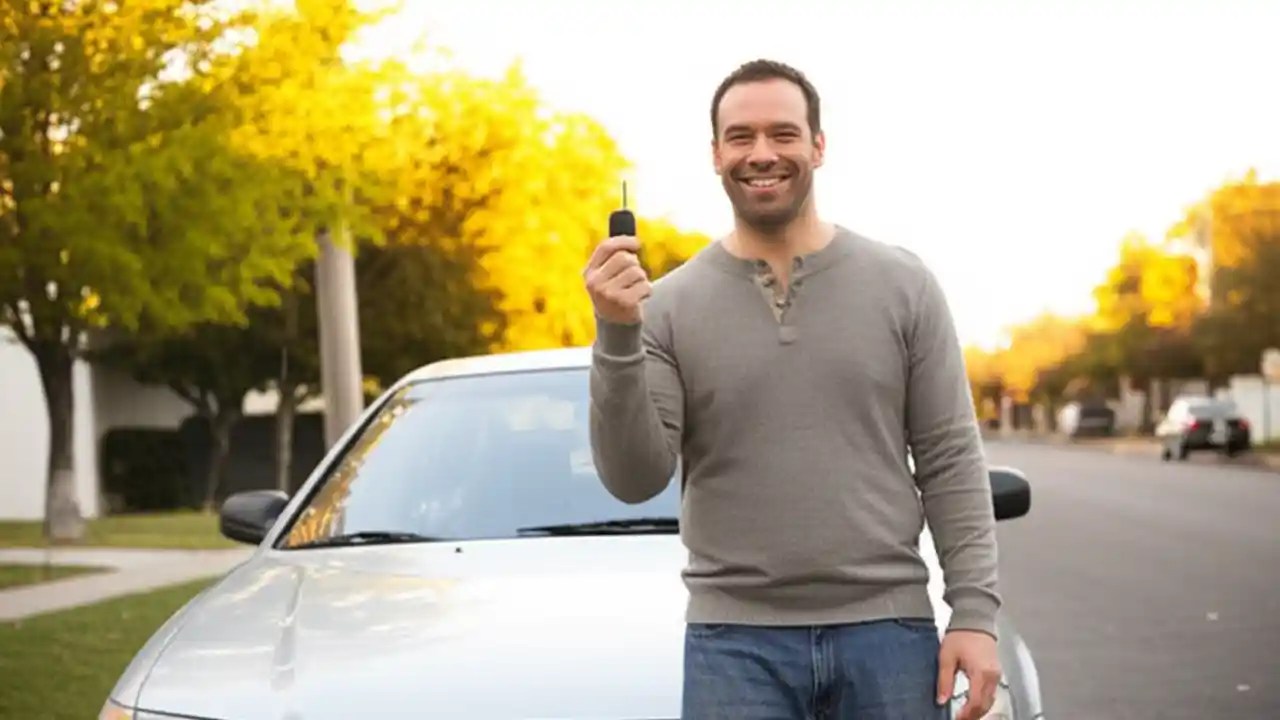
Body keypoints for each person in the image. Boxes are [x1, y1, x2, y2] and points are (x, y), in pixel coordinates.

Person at [583, 58, 1002, 720]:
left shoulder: (903, 285)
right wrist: (616, 334)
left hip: (889, 634)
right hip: (733, 646)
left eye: (783, 134)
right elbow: (633, 479)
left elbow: (949, 457)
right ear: (716, 154)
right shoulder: (664, 307)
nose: (762, 154)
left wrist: (974, 613)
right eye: (741, 136)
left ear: (818, 146)